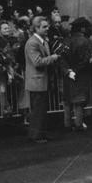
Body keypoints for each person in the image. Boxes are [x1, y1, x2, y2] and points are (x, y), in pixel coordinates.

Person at [24, 16, 61, 144]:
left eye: (47, 26)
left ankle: (41, 133)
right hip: (36, 81)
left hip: (42, 80)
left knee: (42, 110)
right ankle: (35, 135)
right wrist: (53, 57)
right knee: (37, 111)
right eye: (44, 27)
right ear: (36, 28)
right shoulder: (32, 43)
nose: (47, 29)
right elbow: (37, 62)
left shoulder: (43, 41)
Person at [62, 17, 92, 132]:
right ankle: (78, 124)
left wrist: (68, 71)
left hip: (67, 74)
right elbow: (86, 60)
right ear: (82, 28)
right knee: (79, 101)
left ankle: (67, 124)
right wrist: (76, 71)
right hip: (81, 75)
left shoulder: (66, 40)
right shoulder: (86, 42)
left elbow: (61, 58)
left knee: (67, 100)